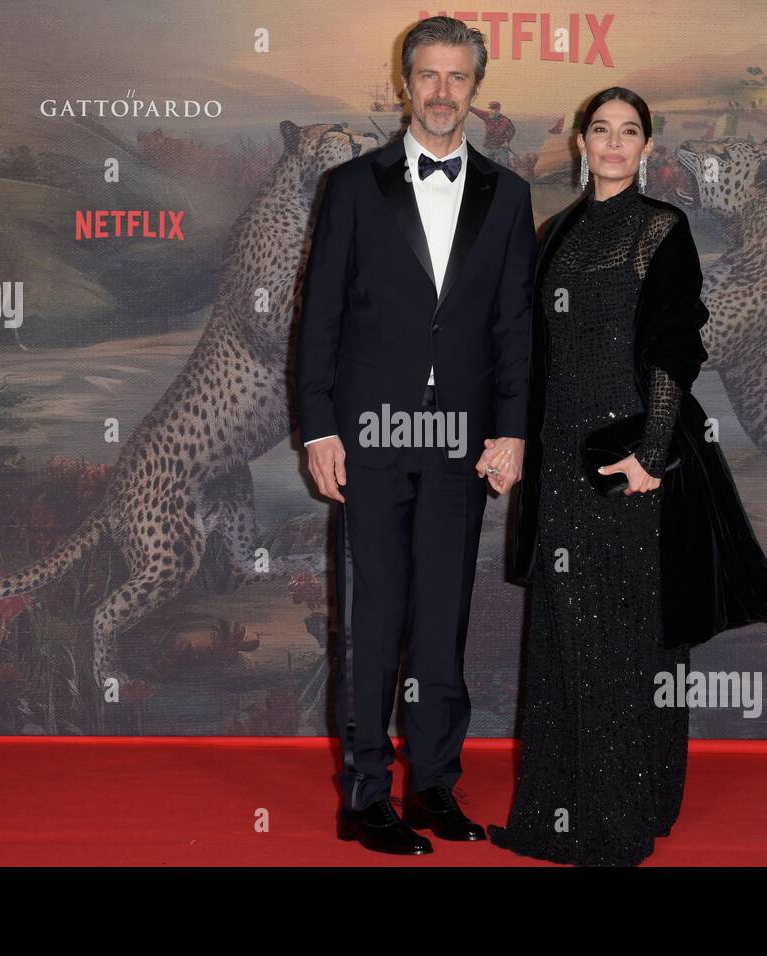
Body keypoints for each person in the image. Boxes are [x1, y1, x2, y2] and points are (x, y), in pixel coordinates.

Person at [488, 87, 767, 865]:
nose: (614, 144)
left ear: (645, 146)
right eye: (601, 131)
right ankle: (553, 815)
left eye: (629, 132)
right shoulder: (558, 233)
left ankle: (623, 818)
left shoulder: (663, 228)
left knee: (625, 640)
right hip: (559, 459)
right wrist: (516, 439)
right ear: (582, 142)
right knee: (561, 635)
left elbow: (676, 345)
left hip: (624, 460)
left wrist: (651, 455)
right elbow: (533, 355)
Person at [295, 16, 536, 855]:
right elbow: (318, 314)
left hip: (460, 442)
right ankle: (365, 794)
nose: (441, 93)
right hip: (367, 435)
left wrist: (512, 432)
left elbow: (515, 326)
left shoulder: (509, 195)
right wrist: (319, 426)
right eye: (426, 77)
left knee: (444, 618)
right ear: (406, 85)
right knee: (375, 616)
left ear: (476, 87)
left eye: (457, 78)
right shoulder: (354, 185)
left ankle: (433, 784)